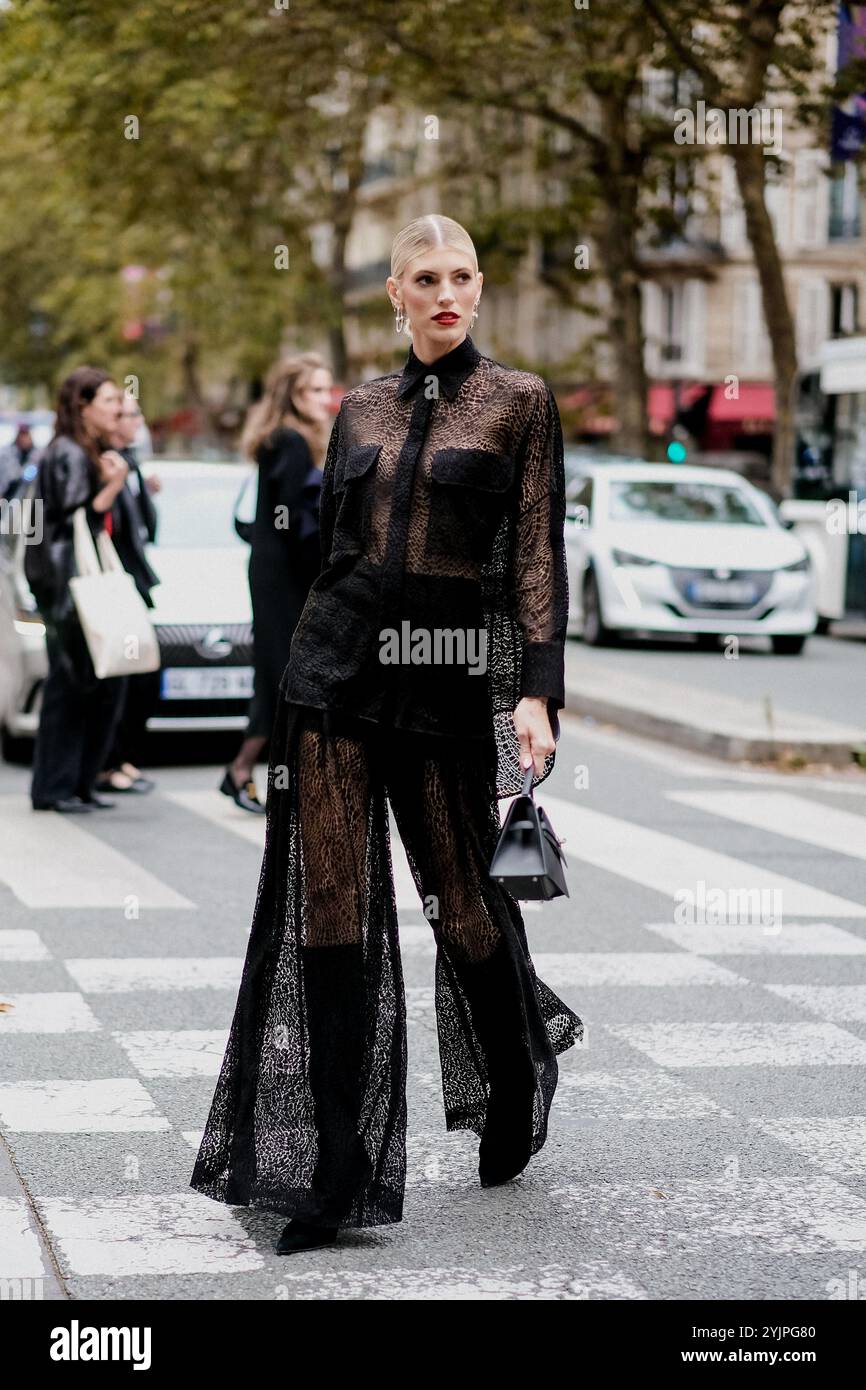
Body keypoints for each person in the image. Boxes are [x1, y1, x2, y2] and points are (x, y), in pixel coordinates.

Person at [190, 214, 583, 1253]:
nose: (444, 292)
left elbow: (535, 550)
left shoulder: (519, 403)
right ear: (395, 296)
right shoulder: (357, 407)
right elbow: (332, 550)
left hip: (447, 677)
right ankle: (336, 1163)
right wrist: (290, 667)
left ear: (478, 287)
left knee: (462, 899)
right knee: (330, 898)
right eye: (424, 278)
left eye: (460, 276)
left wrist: (533, 693)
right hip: (336, 668)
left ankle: (511, 1069)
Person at [219, 354, 331, 813]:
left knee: (276, 677)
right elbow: (294, 522)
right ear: (292, 396)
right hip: (285, 577)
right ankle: (286, 784)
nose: (324, 400)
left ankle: (242, 770)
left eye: (326, 390)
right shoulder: (291, 441)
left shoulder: (285, 439)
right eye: (313, 391)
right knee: (289, 678)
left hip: (273, 571)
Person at [26, 368, 129, 813]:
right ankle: (56, 786)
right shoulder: (68, 453)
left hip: (75, 586)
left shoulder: (87, 449)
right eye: (108, 401)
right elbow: (75, 520)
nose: (118, 408)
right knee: (71, 684)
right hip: (70, 587)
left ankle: (79, 783)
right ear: (81, 406)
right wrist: (112, 486)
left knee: (92, 683)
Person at [96, 394, 161, 795]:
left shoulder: (131, 465)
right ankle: (108, 763)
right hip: (113, 584)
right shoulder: (107, 464)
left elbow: (145, 530)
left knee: (140, 677)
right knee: (125, 676)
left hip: (133, 583)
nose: (138, 421)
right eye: (129, 414)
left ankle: (121, 759)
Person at [0, 423, 36, 500]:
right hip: (8, 497)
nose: (24, 438)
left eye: (26, 435)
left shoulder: (37, 455)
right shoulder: (7, 453)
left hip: (28, 499)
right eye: (21, 434)